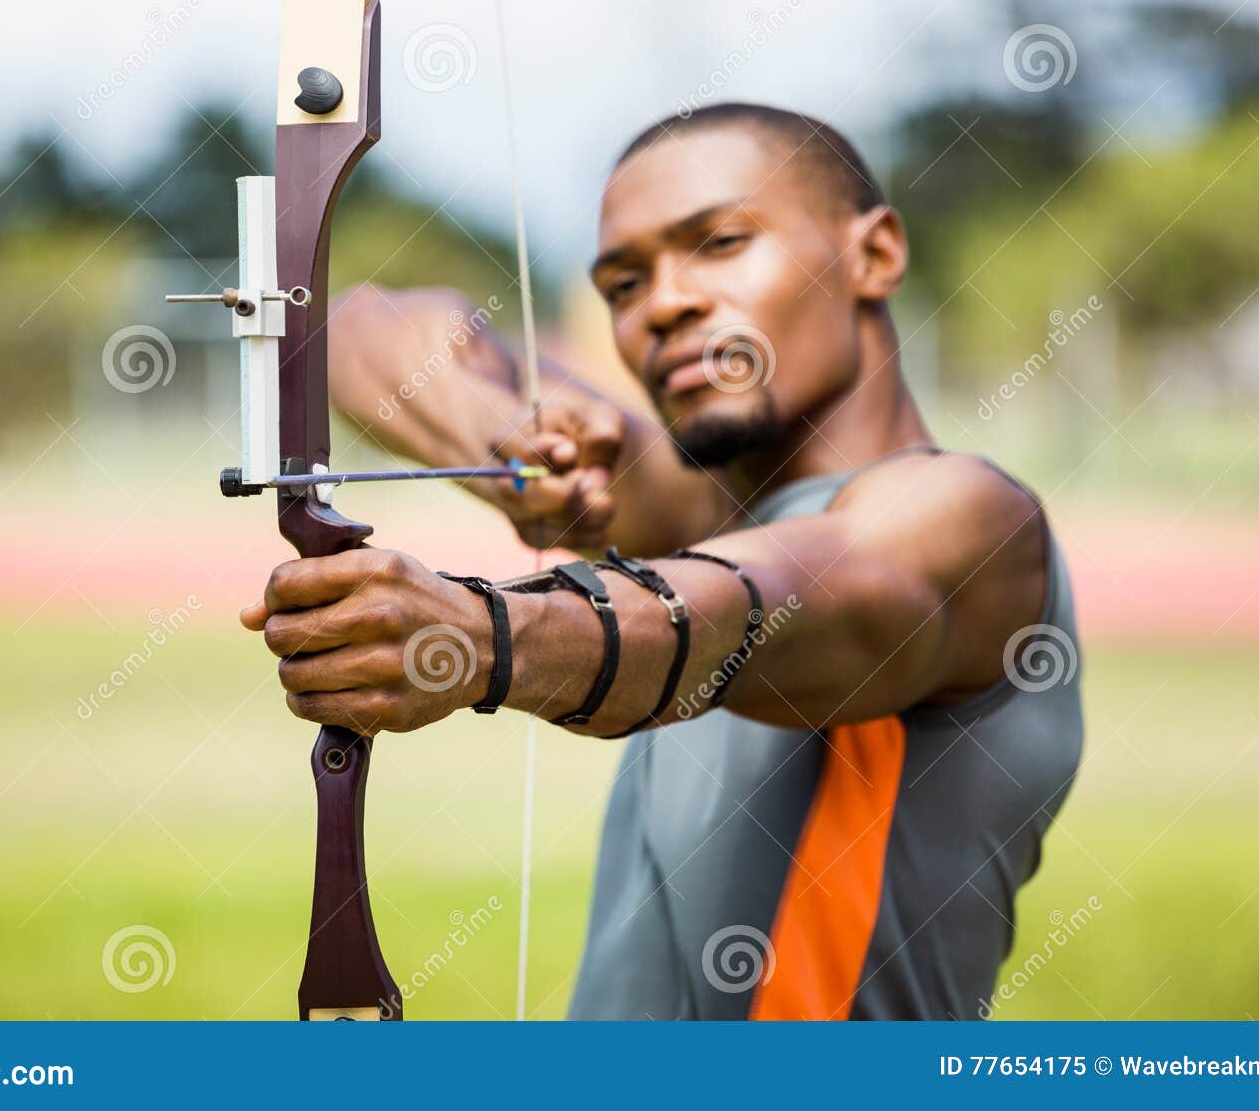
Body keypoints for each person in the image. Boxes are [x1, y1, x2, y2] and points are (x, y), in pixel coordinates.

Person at [241, 103, 1083, 1020]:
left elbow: (752, 605)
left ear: (874, 253)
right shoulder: (699, 509)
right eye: (624, 282)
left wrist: (481, 633)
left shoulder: (968, 519)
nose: (665, 303)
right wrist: (499, 430)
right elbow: (351, 326)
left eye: (720, 241)